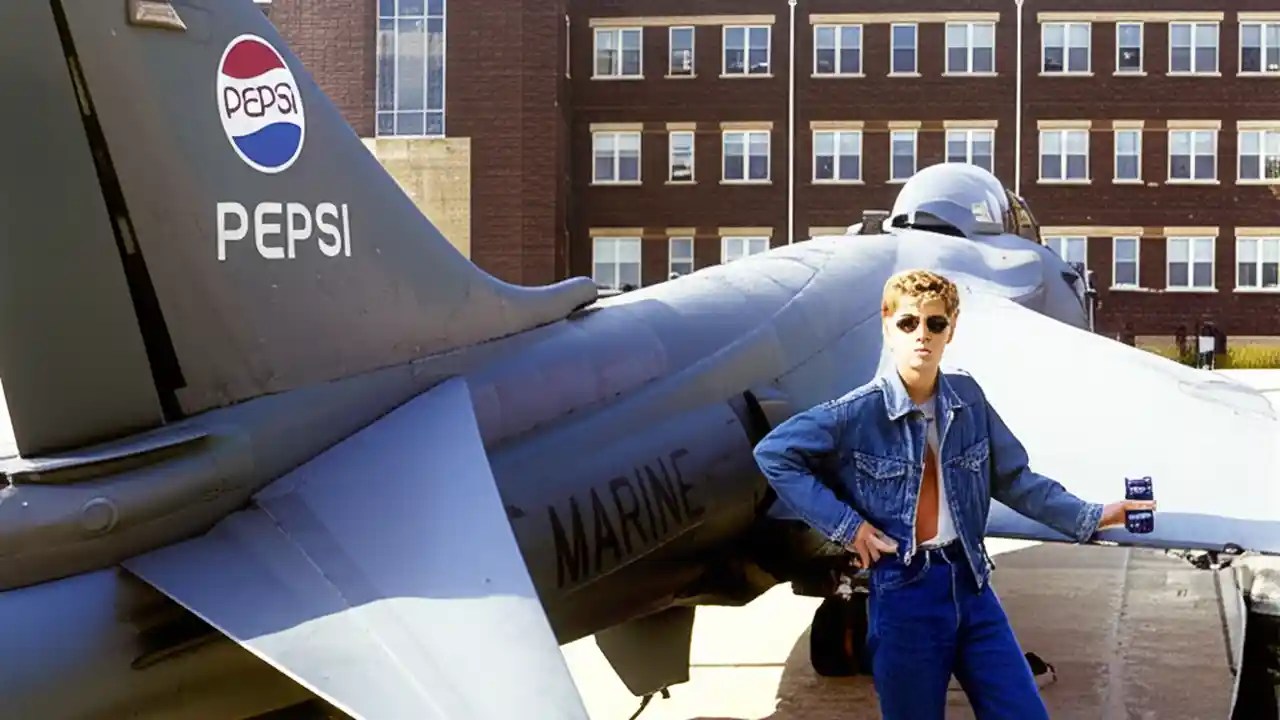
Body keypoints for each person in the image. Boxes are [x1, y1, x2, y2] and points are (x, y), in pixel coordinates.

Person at [752, 268, 1156, 720]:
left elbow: (1015, 479)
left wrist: (1092, 514)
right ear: (888, 325)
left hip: (971, 583)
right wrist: (850, 527)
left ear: (951, 330)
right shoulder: (858, 413)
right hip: (904, 593)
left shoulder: (967, 399)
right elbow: (776, 454)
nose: (921, 334)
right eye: (908, 323)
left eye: (935, 323)